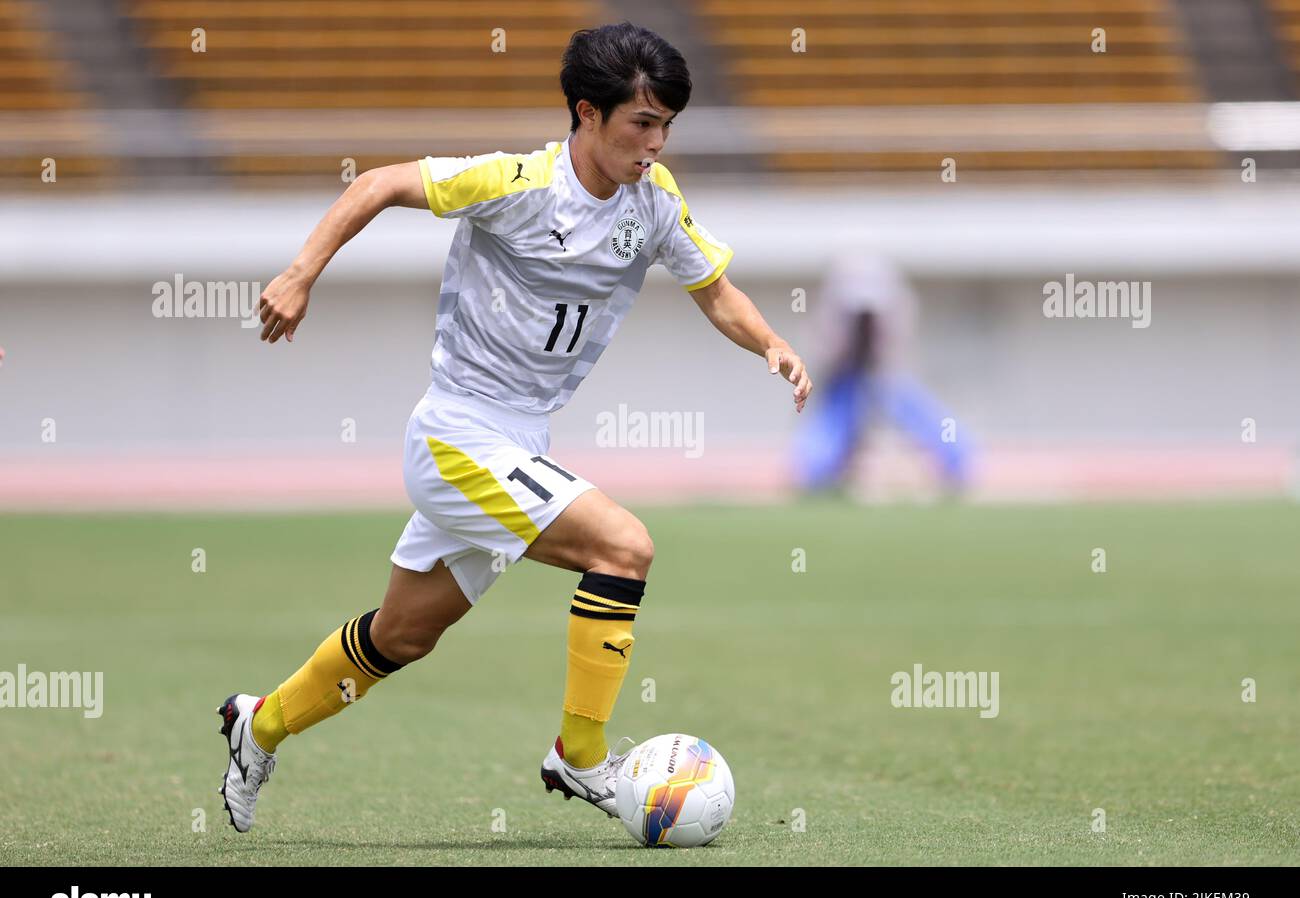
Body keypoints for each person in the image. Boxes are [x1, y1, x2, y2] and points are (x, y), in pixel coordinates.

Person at [217, 22, 812, 832]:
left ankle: (260, 725)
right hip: (459, 436)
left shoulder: (656, 198)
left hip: (520, 440)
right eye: (643, 123)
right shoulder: (516, 182)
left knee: (403, 635)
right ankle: (582, 754)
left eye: (667, 125)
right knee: (623, 547)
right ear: (586, 113)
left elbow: (714, 289)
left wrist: (772, 344)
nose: (656, 142)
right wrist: (299, 273)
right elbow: (382, 184)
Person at [793, 254, 967, 494]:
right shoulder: (831, 324)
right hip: (844, 380)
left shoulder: (896, 324)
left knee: (951, 444)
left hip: (886, 377)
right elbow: (827, 354)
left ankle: (953, 473)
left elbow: (896, 350)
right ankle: (828, 480)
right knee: (815, 462)